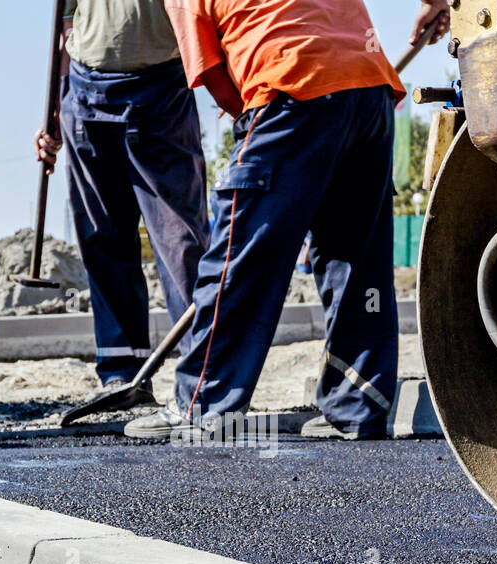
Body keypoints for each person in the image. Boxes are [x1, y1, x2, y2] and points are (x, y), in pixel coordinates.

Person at [126, 0, 409, 441]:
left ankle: (204, 405)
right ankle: (358, 409)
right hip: (369, 88)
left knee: (240, 258)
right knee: (355, 262)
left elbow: (214, 76)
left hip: (291, 85)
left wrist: (263, 132)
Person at [34, 0, 211, 405]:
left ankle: (204, 371)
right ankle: (121, 372)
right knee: (102, 238)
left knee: (181, 243)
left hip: (162, 88)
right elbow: (65, 27)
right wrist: (54, 110)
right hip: (86, 90)